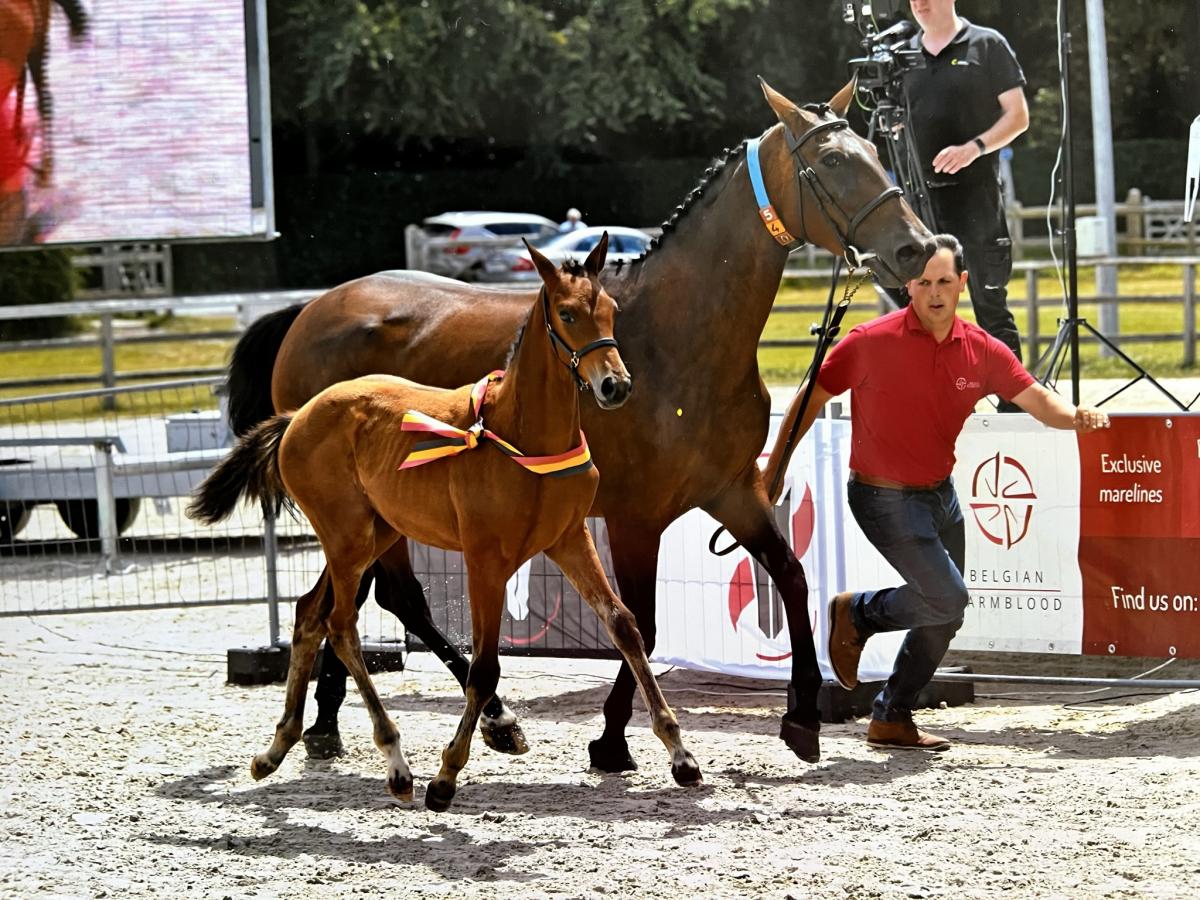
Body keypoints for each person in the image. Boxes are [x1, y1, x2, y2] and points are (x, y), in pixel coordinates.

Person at [777, 234, 1109, 751]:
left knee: (946, 613)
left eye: (945, 282)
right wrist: (775, 466)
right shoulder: (869, 340)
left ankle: (891, 716)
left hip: (940, 497)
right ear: (908, 284)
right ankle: (858, 613)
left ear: (963, 284)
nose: (934, 293)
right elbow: (808, 399)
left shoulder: (980, 349)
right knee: (947, 596)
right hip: (880, 496)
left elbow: (1038, 399)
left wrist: (1076, 417)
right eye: (924, 282)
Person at [902, 0, 1029, 406]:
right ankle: (932, 400)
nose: (919, 3)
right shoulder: (902, 56)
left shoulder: (987, 44)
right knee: (919, 308)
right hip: (920, 206)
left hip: (976, 199)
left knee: (991, 304)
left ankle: (1014, 408)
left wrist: (975, 147)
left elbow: (1018, 116)